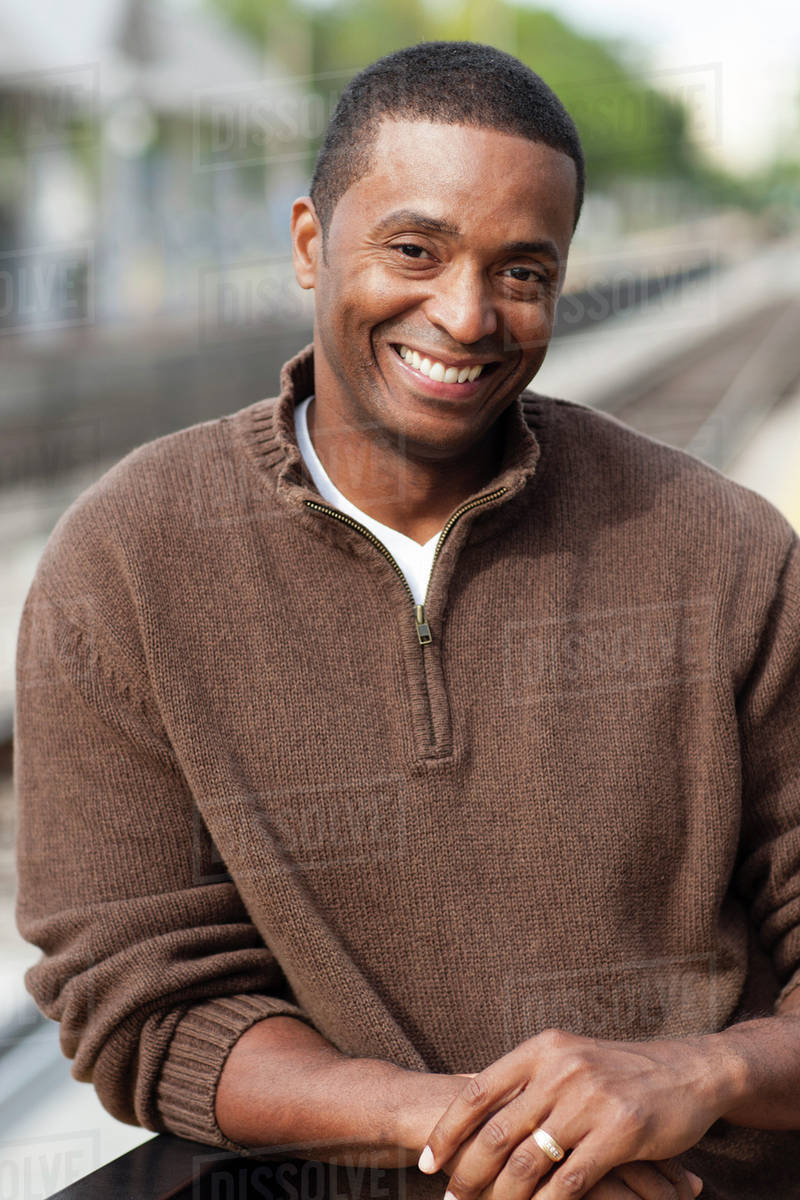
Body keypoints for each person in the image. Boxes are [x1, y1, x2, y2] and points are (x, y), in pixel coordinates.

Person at [13, 41, 800, 1200]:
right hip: (324, 1177)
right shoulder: (126, 558)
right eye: (414, 250)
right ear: (307, 243)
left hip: (685, 1180)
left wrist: (696, 1076)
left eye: (523, 272)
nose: (467, 314)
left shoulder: (722, 549)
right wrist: (470, 1134)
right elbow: (144, 999)